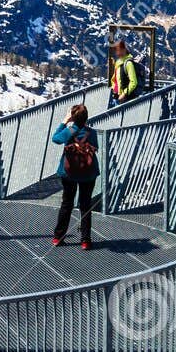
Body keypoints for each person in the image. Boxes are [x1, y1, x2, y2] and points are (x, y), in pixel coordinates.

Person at [51, 104, 98, 250]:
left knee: (67, 203)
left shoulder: (69, 131)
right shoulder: (92, 133)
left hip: (69, 172)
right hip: (88, 173)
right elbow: (95, 146)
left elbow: (55, 139)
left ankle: (58, 237)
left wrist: (64, 121)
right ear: (86, 118)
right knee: (85, 205)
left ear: (73, 118)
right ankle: (85, 240)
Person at [110, 40, 139, 104]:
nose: (117, 53)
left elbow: (134, 82)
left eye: (118, 50)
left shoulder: (128, 63)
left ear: (124, 50)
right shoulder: (118, 62)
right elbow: (115, 80)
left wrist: (124, 94)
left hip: (125, 100)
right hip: (117, 97)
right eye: (116, 51)